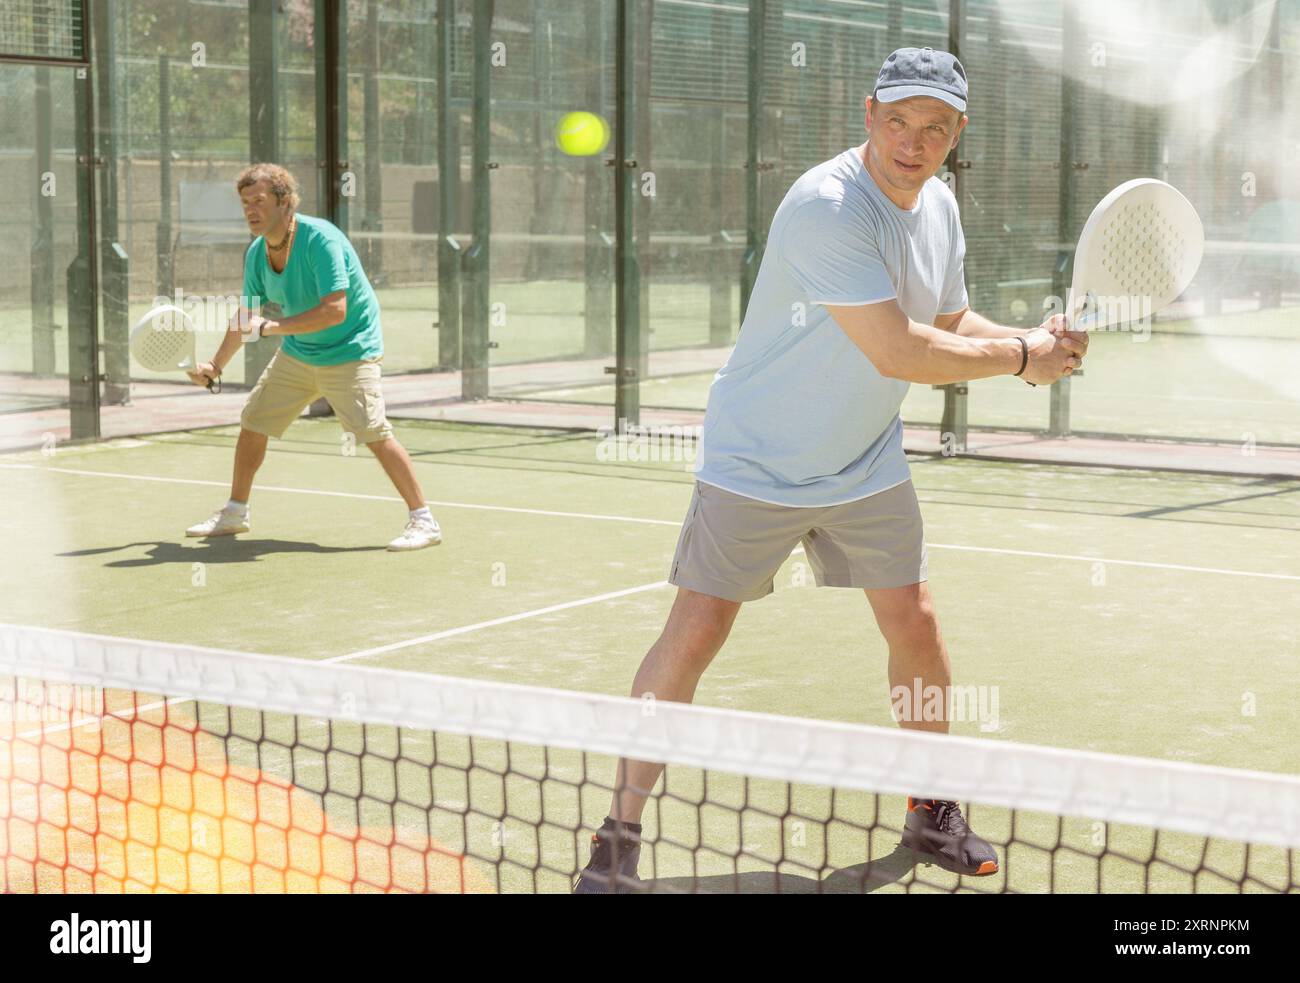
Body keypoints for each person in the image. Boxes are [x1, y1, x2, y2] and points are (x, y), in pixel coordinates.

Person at [574, 46, 1087, 893]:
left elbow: (949, 316)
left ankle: (931, 807)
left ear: (957, 136)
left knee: (914, 622)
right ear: (867, 116)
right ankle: (619, 830)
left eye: (934, 128)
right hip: (758, 457)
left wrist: (1037, 342)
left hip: (864, 456)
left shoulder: (940, 208)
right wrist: (1019, 356)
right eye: (898, 121)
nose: (912, 142)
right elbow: (898, 347)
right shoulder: (825, 205)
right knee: (697, 628)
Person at [183, 163, 441, 552]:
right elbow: (245, 316)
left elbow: (334, 310)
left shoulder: (321, 240)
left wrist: (272, 328)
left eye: (259, 200)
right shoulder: (257, 254)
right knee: (253, 421)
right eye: (244, 203)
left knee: (372, 432)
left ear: (285, 201)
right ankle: (236, 512)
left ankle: (424, 520)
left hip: (350, 348)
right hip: (301, 352)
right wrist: (215, 366)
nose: (251, 210)